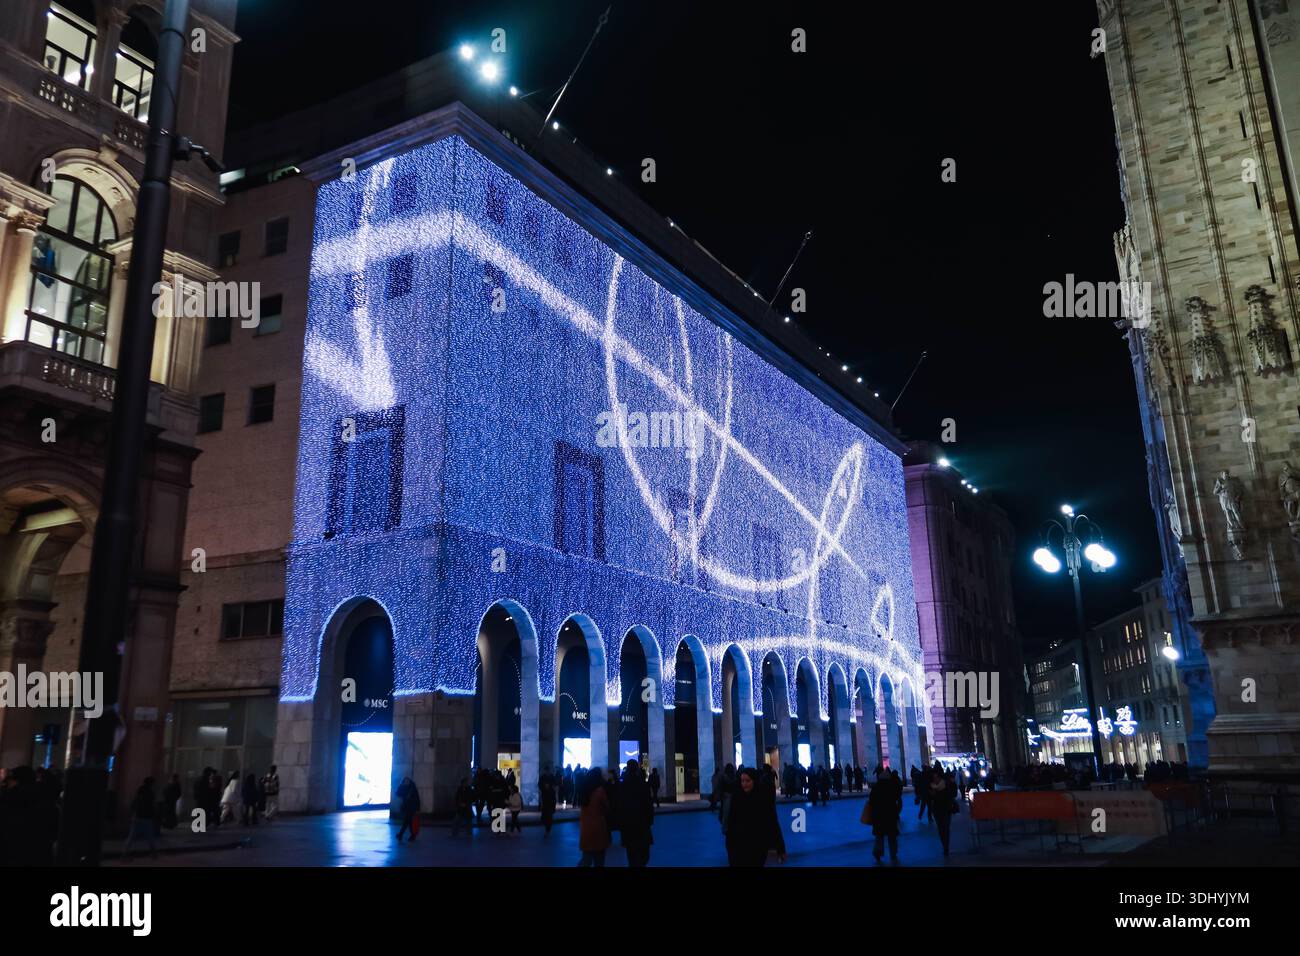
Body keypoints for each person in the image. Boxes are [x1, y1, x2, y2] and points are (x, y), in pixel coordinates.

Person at [723, 767, 787, 866]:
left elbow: (773, 822)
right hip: (739, 847)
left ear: (755, 781)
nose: (744, 784)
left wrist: (780, 848)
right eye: (742, 781)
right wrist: (730, 846)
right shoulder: (737, 799)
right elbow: (731, 824)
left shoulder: (762, 799)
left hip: (758, 847)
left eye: (748, 781)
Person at [618, 759, 655, 867]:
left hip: (629, 824)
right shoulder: (642, 783)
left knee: (631, 853)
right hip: (642, 823)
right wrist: (650, 820)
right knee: (644, 853)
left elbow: (620, 805)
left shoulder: (623, 784)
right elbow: (648, 804)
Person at [867, 767, 903, 863]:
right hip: (890, 815)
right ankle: (893, 853)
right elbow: (897, 799)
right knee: (892, 836)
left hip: (878, 816)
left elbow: (871, 801)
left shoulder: (875, 788)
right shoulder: (891, 787)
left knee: (879, 836)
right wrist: (897, 812)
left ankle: (878, 853)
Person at [577, 768, 610, 867]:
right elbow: (607, 807)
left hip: (586, 827)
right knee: (599, 860)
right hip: (598, 827)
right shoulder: (600, 791)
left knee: (586, 858)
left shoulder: (584, 790)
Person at [122, 777, 159, 860]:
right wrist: (155, 814)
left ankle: (124, 854)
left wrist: (132, 813)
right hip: (146, 817)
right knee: (150, 836)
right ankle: (154, 853)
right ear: (151, 784)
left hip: (137, 816)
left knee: (131, 836)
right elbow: (153, 806)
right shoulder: (151, 793)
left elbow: (134, 802)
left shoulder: (140, 791)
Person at [929, 768, 959, 857]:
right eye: (934, 778)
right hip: (937, 810)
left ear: (940, 777)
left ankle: (946, 847)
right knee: (940, 829)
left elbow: (953, 794)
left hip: (946, 809)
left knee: (945, 828)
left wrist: (953, 783)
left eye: (936, 777)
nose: (935, 780)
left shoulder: (946, 785)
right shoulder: (931, 786)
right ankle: (944, 845)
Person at [395, 776, 421, 842]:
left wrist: (417, 809)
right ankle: (412, 835)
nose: (406, 782)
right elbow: (397, 793)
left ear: (409, 781)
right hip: (406, 807)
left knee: (406, 821)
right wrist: (401, 785)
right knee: (408, 822)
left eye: (407, 781)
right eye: (405, 781)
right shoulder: (404, 787)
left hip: (412, 807)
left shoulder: (412, 788)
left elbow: (417, 799)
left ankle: (401, 834)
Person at [539, 767, 557, 837]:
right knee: (546, 813)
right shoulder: (543, 777)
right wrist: (544, 787)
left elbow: (555, 786)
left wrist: (551, 787)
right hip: (546, 797)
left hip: (550, 797)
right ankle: (547, 826)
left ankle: (548, 829)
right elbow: (540, 785)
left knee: (549, 814)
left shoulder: (552, 777)